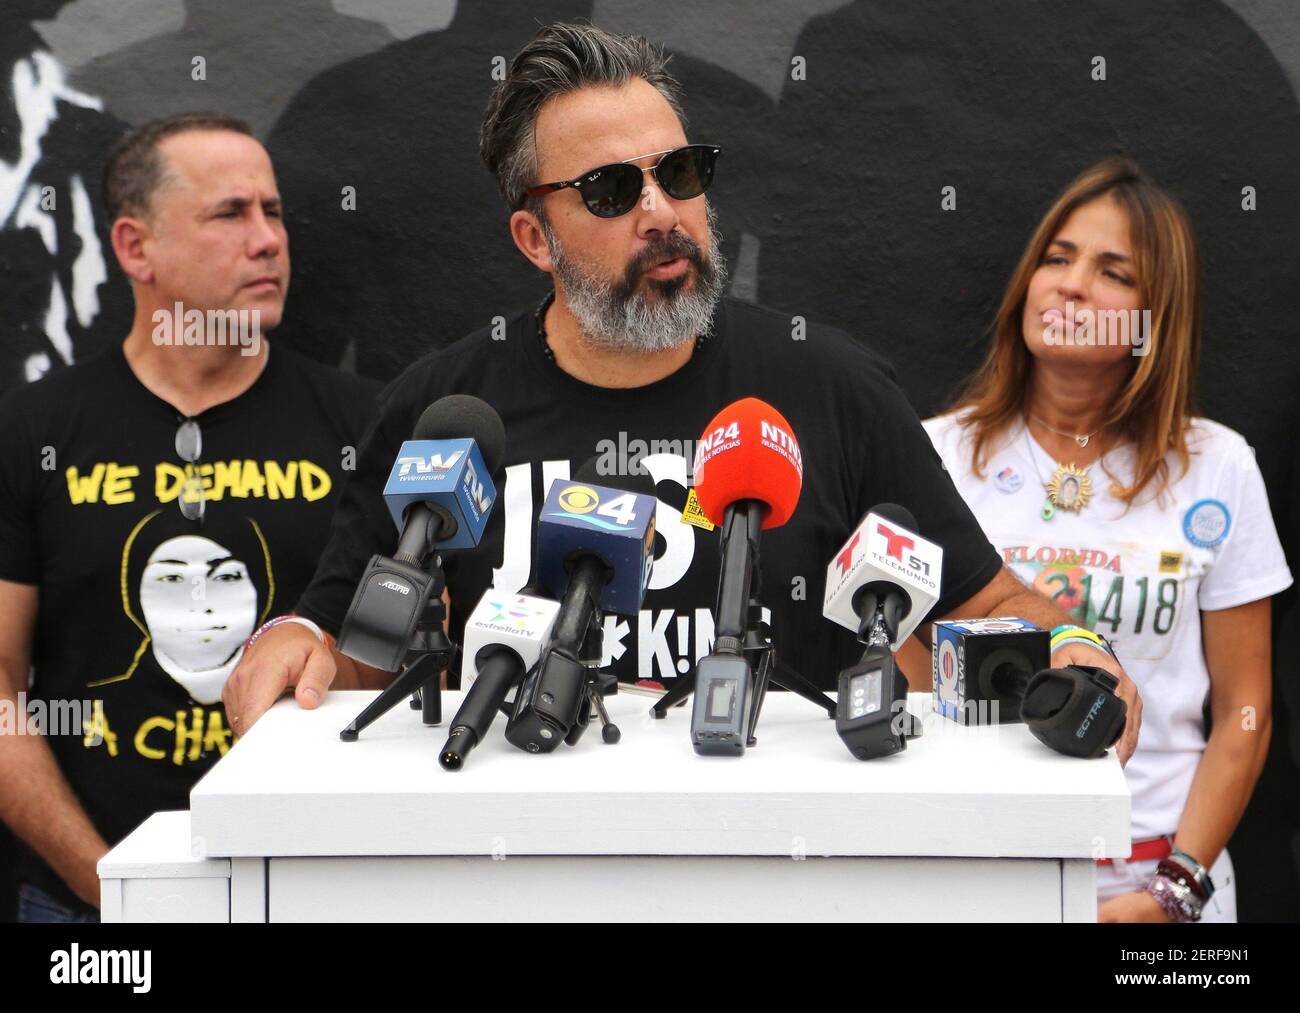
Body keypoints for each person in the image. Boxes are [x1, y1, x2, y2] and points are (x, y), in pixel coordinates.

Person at [224, 24, 1141, 770]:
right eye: (614, 189)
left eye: (682, 173)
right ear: (535, 238)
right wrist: (294, 642)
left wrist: (1078, 649)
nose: (662, 211)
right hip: (508, 863)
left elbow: (986, 605)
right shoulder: (445, 410)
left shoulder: (830, 385)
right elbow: (347, 650)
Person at [0, 112, 380, 921]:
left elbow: (418, 651)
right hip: (82, 899)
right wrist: (111, 884)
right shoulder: (34, 432)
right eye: (230, 213)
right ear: (135, 248)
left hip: (313, 890)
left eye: (273, 212)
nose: (269, 238)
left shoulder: (362, 426)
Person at [913, 158, 1292, 922]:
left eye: (1112, 271)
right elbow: (914, 683)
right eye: (1056, 258)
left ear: (1154, 317)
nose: (1071, 284)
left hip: (1158, 879)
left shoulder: (1218, 467)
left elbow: (1246, 709)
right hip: (986, 873)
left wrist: (1172, 891)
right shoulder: (935, 455)